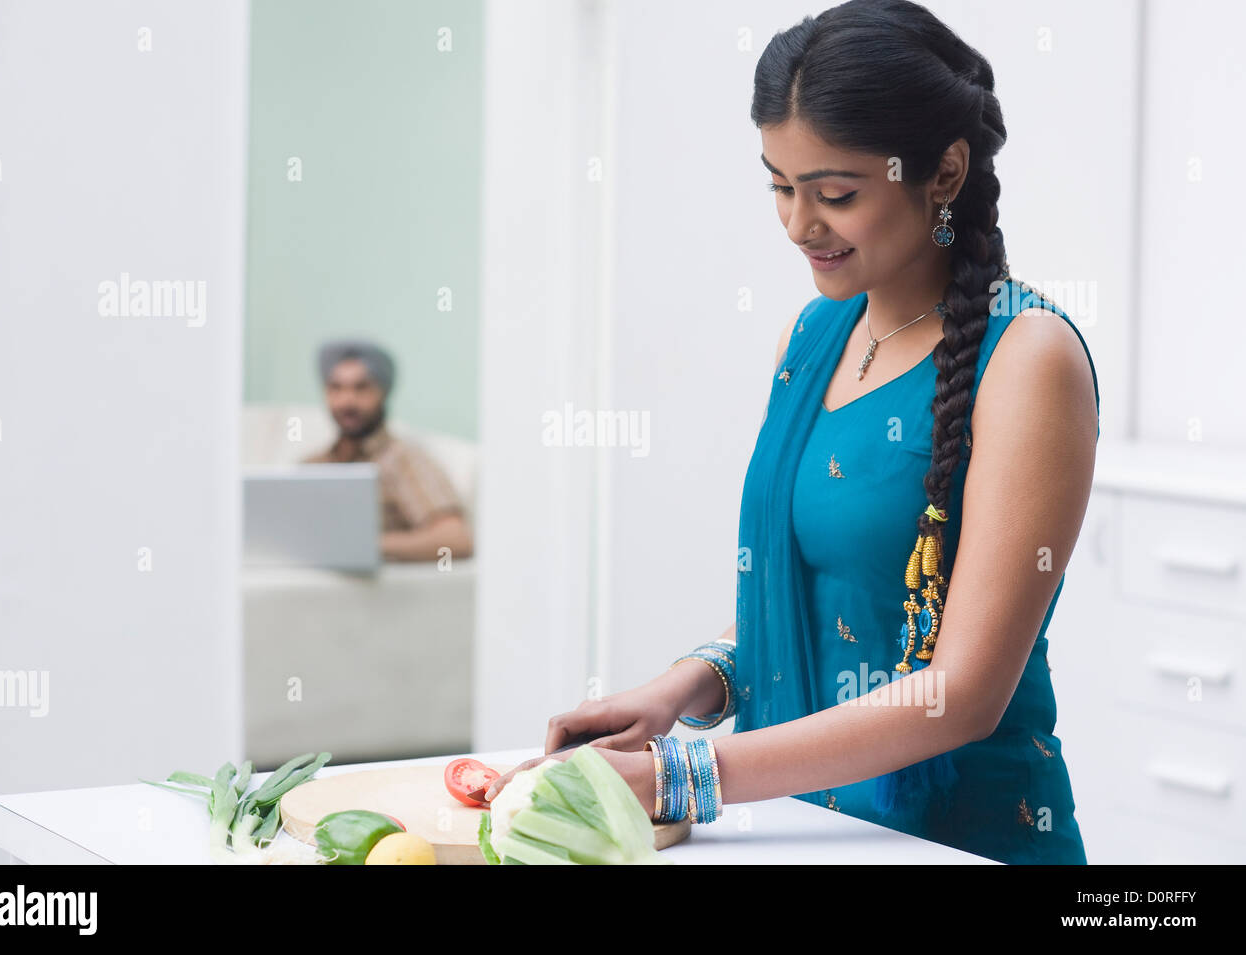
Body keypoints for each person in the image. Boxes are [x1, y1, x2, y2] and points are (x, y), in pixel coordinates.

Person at [485, 0, 1099, 865]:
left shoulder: (1028, 357)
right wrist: (690, 684)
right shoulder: (812, 338)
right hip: (805, 832)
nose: (798, 225)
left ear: (946, 173)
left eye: (836, 193)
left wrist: (683, 772)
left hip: (963, 840)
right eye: (779, 184)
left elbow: (961, 690)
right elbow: (848, 609)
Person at [303, 340, 474, 562]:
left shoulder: (404, 460)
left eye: (361, 387)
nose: (347, 400)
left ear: (382, 393)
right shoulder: (310, 465)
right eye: (336, 388)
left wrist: (363, 544)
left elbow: (455, 540)